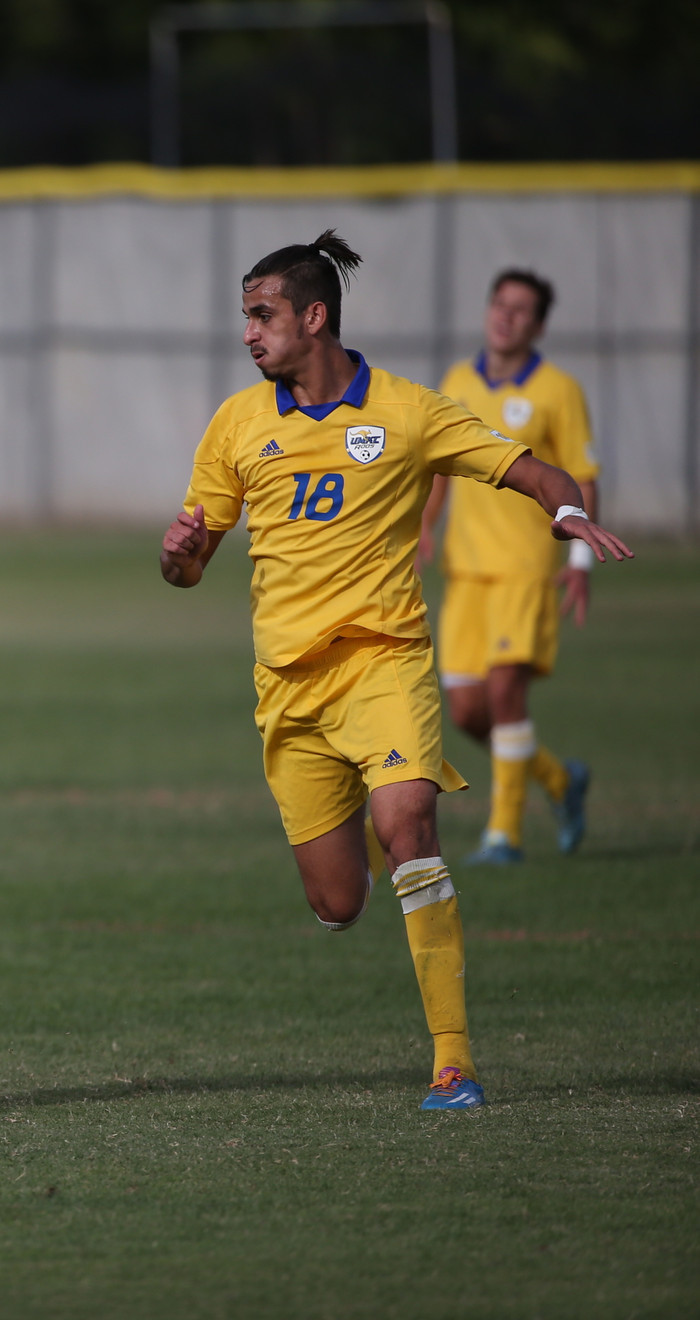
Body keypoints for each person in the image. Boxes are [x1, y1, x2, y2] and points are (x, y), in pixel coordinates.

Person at [158, 232, 632, 1111]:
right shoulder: (236, 424)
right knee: (338, 904)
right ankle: (366, 867)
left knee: (410, 822)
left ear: (314, 316)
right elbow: (188, 566)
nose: (249, 335)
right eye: (245, 318)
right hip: (289, 691)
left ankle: (453, 1062)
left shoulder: (411, 412)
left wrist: (566, 513)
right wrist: (179, 554)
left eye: (262, 317)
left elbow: (533, 470)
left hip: (385, 662)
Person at [421, 270, 599, 864]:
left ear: (539, 324)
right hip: (465, 571)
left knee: (505, 695)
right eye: (500, 305)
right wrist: (423, 524)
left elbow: (582, 475)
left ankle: (504, 836)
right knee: (468, 710)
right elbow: (440, 465)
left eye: (521, 310)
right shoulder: (455, 381)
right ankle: (557, 780)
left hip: (526, 567)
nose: (506, 317)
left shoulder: (558, 390)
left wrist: (580, 559)